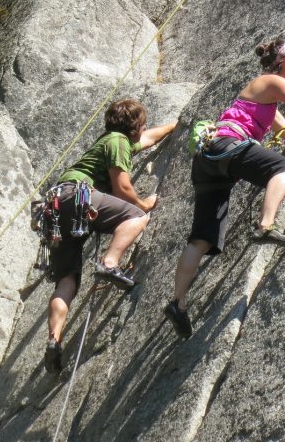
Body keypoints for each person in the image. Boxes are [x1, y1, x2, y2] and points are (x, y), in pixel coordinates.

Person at [164, 38, 285, 339]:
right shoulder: (272, 82)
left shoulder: (267, 94)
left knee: (201, 238)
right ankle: (265, 225)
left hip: (210, 158)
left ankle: (178, 303)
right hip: (228, 146)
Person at [42, 98, 175, 372]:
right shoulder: (117, 141)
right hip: (78, 196)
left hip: (57, 208)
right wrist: (144, 204)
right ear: (134, 126)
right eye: (142, 124)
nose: (145, 128)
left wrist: (175, 124)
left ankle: (54, 339)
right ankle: (109, 263)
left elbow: (148, 138)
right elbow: (122, 187)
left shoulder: (114, 140)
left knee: (67, 280)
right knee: (136, 217)